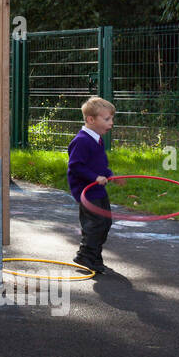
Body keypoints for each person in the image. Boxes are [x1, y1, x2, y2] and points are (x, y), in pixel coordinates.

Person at [67, 96, 115, 275]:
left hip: (97, 189)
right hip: (86, 191)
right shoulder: (82, 140)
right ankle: (85, 256)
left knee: (105, 222)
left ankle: (94, 255)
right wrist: (95, 177)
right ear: (91, 120)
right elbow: (76, 166)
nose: (111, 123)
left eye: (111, 119)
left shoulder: (97, 139)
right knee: (95, 223)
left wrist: (109, 175)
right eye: (107, 119)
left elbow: (99, 163)